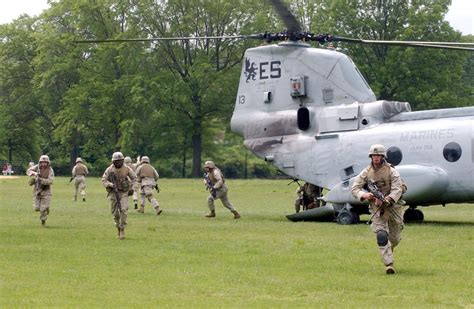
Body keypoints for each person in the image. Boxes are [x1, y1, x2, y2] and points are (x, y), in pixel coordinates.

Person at [351, 144, 404, 275]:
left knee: (395, 238)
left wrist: (388, 199)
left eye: (378, 155)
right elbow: (355, 188)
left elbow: (398, 188)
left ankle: (389, 249)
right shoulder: (366, 172)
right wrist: (364, 195)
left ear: (383, 156)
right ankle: (389, 264)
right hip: (377, 208)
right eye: (374, 155)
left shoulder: (392, 171)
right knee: (381, 235)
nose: (376, 158)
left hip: (393, 207)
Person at [101, 152, 137, 240]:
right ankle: (118, 227)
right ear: (113, 161)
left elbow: (135, 179)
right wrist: (110, 184)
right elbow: (103, 180)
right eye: (117, 161)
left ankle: (122, 228)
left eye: (120, 161)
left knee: (124, 209)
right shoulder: (109, 169)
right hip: (113, 193)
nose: (118, 162)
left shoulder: (127, 169)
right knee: (115, 213)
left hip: (124, 192)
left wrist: (133, 188)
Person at [26, 155, 55, 226]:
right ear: (40, 162)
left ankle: (43, 221)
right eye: (42, 162)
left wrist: (40, 180)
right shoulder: (36, 167)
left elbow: (50, 181)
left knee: (43, 209)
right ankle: (46, 208)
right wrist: (33, 174)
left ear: (48, 163)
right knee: (36, 208)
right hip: (37, 190)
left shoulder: (50, 170)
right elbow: (28, 171)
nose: (44, 163)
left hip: (46, 191)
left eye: (45, 162)